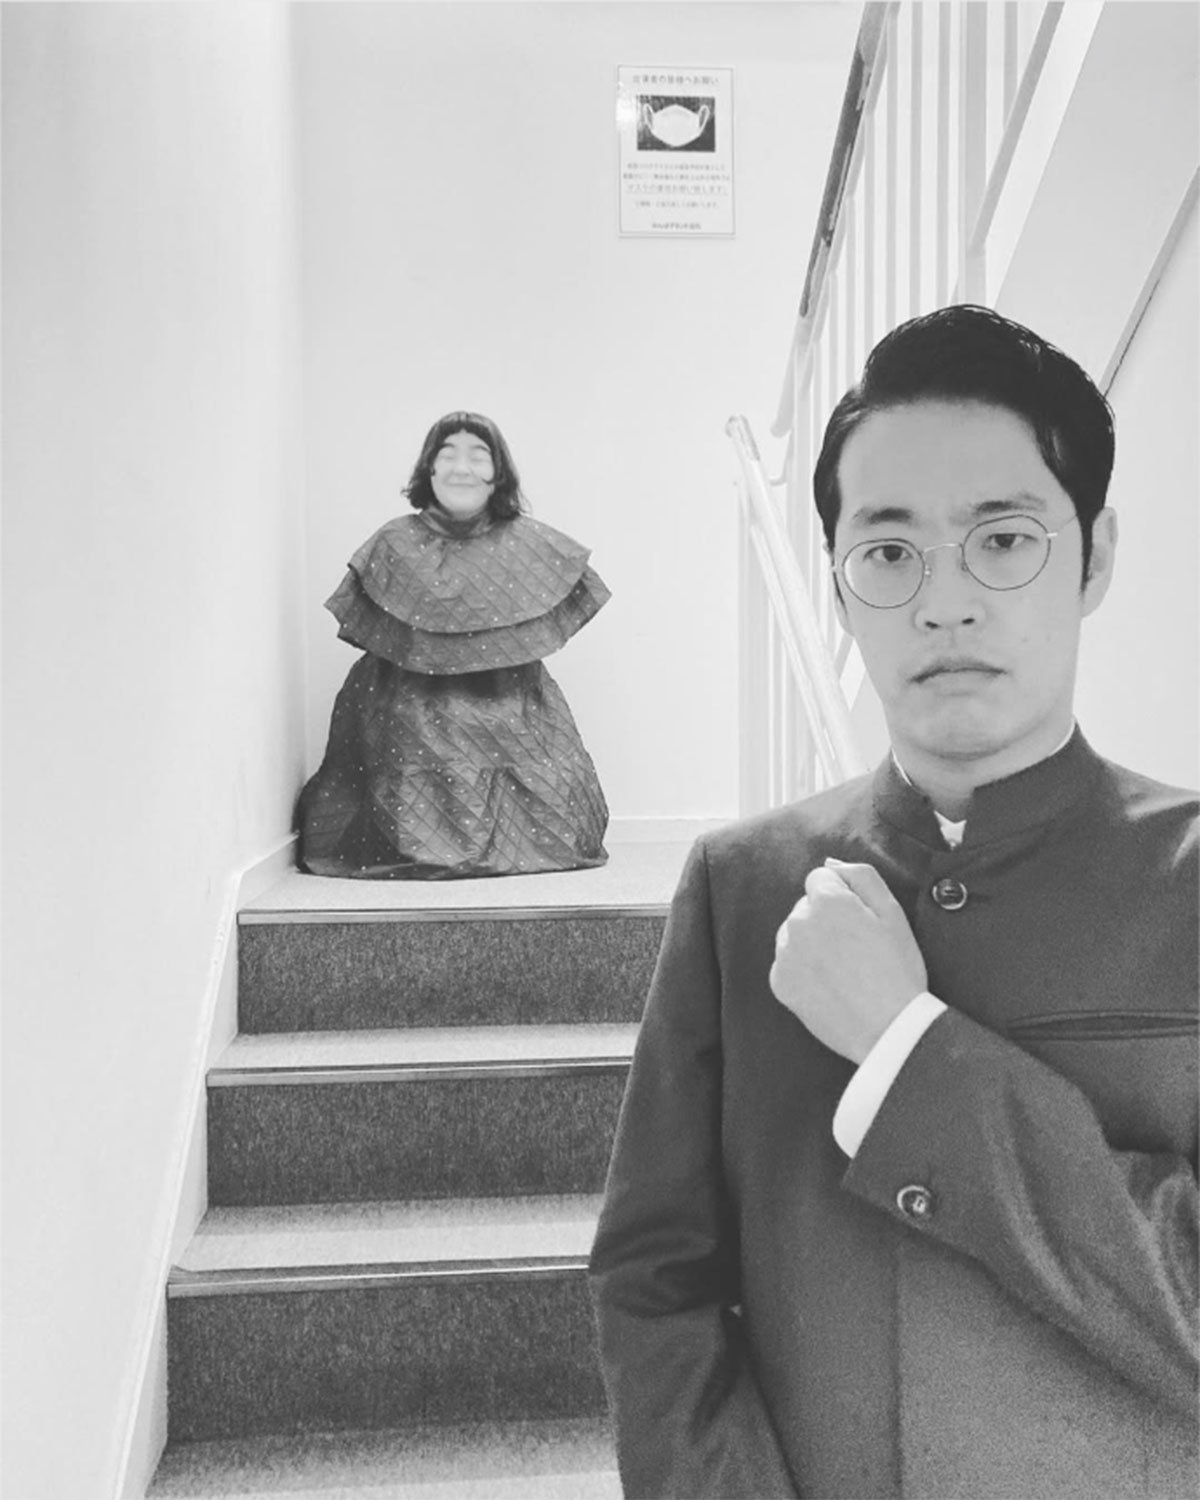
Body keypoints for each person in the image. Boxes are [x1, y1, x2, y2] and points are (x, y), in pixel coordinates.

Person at [589, 306, 1198, 1498]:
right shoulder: (741, 886)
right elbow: (654, 1281)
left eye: (1004, 539)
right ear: (840, 586)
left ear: (1096, 556)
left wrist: (911, 1053)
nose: (944, 602)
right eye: (888, 552)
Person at [297, 411, 610, 879]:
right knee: (408, 731)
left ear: (498, 472)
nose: (461, 468)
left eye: (478, 456)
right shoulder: (394, 542)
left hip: (511, 699)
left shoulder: (532, 543)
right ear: (429, 469)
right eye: (447, 456)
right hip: (408, 704)